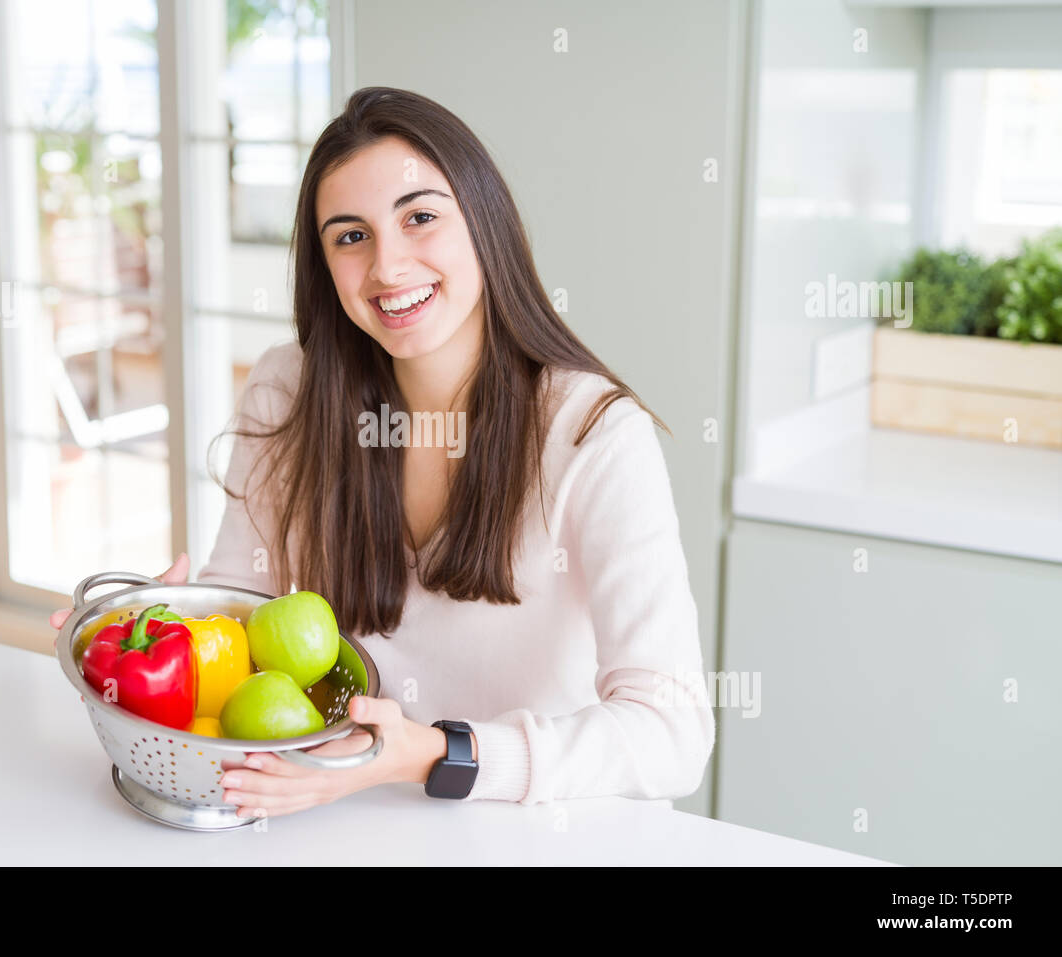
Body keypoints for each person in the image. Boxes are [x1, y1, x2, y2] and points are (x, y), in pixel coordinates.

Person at [52, 87, 714, 820]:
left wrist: (430, 752)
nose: (387, 266)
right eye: (350, 236)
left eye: (420, 218)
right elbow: (247, 611)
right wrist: (159, 628)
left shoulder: (595, 435)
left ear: (484, 225)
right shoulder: (287, 389)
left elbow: (673, 731)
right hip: (339, 821)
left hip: (535, 830)